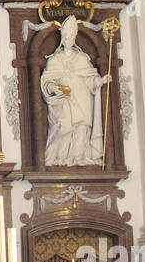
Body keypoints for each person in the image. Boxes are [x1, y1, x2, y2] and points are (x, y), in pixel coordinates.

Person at [40, 15, 110, 167]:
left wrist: (99, 81)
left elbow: (90, 78)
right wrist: (55, 88)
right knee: (64, 127)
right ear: (62, 37)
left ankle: (78, 157)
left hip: (83, 98)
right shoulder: (54, 60)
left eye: (71, 36)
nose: (69, 39)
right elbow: (47, 81)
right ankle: (61, 158)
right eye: (66, 36)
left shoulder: (82, 58)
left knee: (82, 127)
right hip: (64, 100)